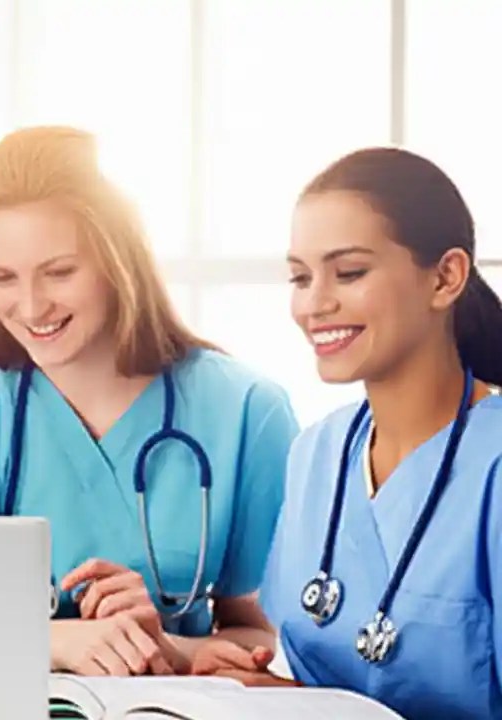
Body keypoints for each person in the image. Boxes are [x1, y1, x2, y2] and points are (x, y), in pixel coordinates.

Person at [0, 126, 300, 677]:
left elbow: (259, 631)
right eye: (1, 277)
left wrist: (169, 646)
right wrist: (56, 641)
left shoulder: (246, 411)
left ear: (118, 260)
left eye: (59, 272)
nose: (31, 307)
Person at [194, 148, 502, 720]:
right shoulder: (317, 454)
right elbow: (332, 680)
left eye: (350, 272)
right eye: (300, 277)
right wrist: (272, 694)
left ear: (446, 277)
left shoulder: (493, 467)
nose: (315, 303)